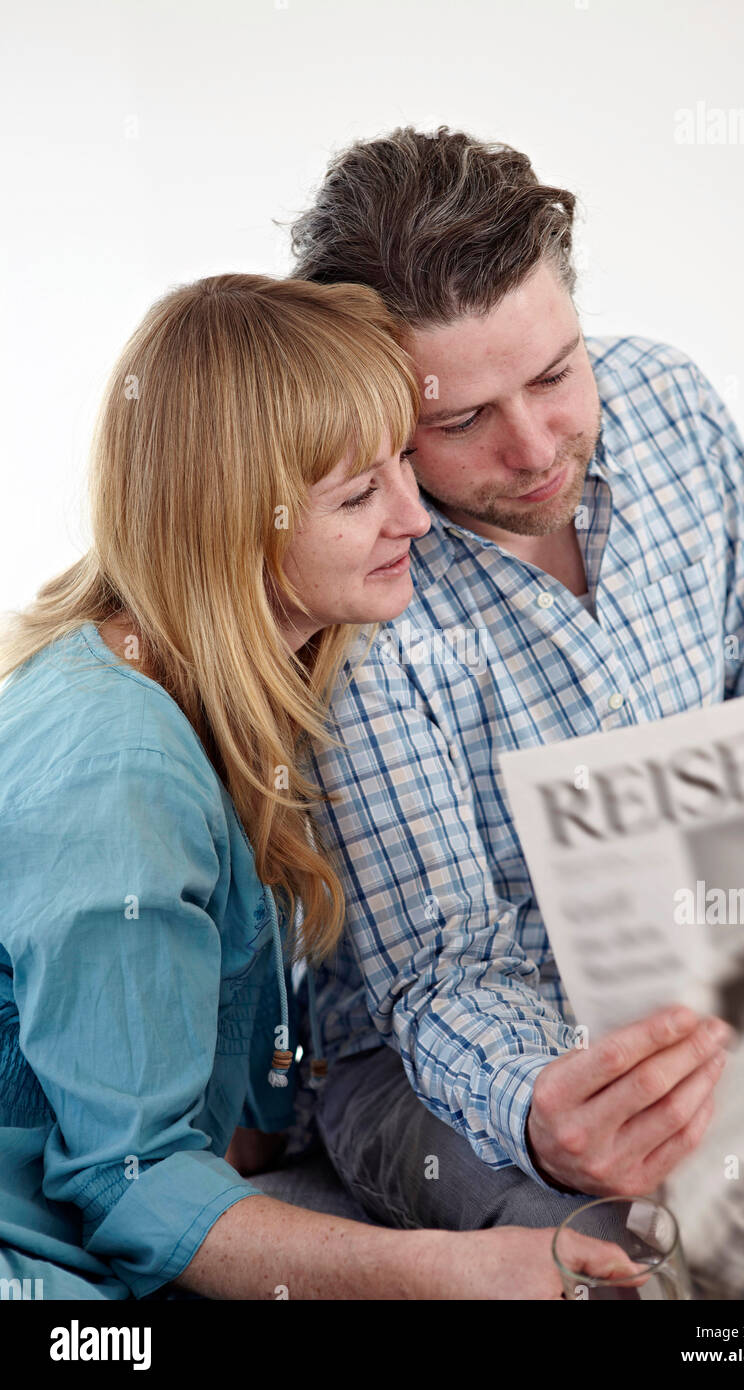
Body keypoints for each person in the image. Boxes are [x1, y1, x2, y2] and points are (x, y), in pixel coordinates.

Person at [0, 271, 641, 1300]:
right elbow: (128, 1183)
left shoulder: (211, 680)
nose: (416, 520)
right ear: (233, 528)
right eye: (357, 496)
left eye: (401, 463)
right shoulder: (119, 769)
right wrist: (447, 1270)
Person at [264, 125, 744, 1232]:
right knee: (628, 1254)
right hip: (451, 1073)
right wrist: (539, 1109)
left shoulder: (668, 404)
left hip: (720, 988)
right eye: (459, 419)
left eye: (554, 373)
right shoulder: (364, 585)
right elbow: (438, 979)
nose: (532, 449)